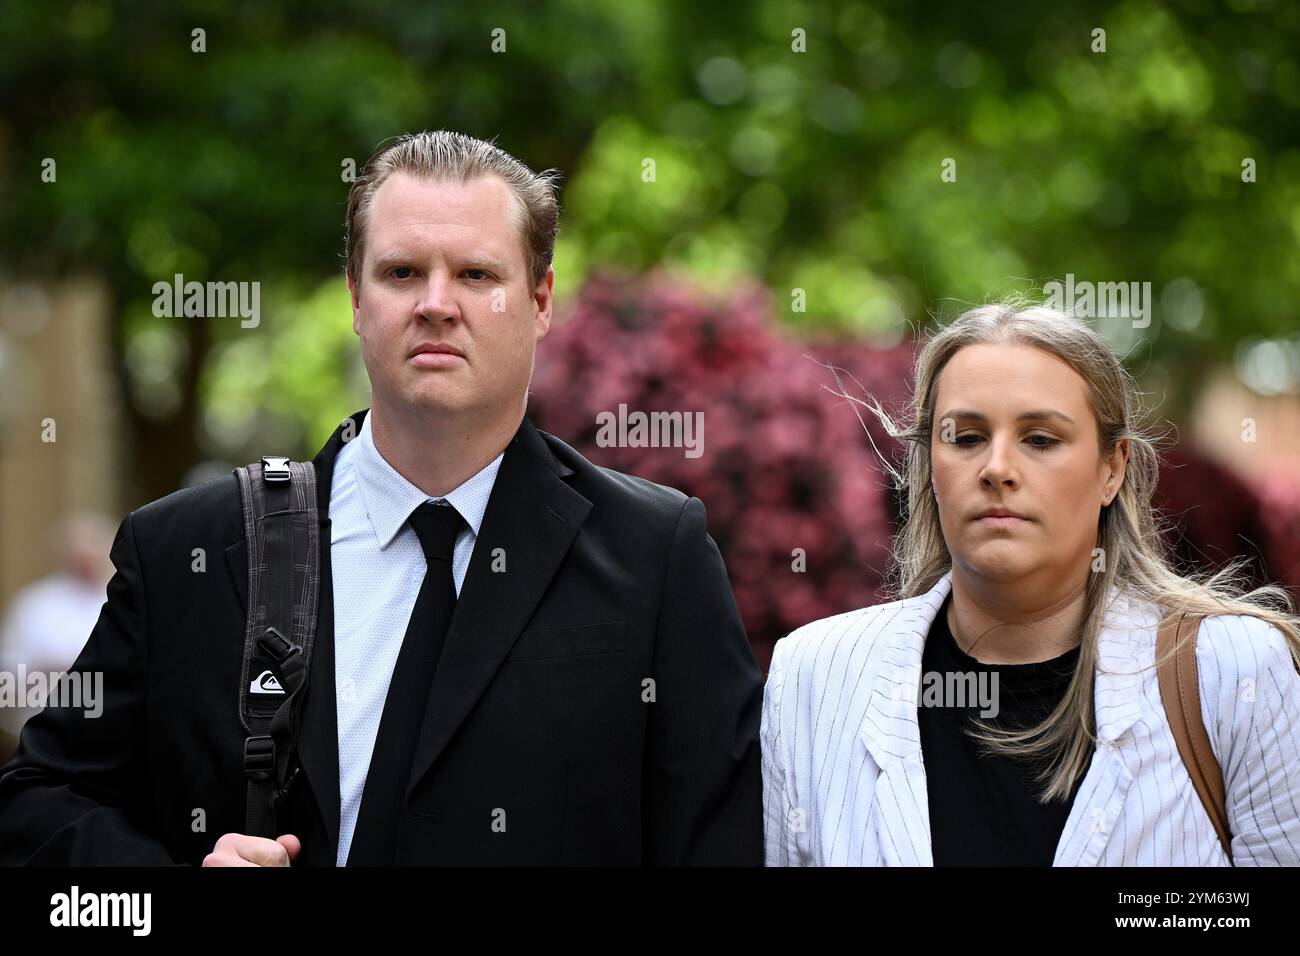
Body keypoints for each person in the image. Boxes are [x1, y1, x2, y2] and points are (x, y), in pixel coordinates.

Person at [0, 130, 764, 866]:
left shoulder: (655, 555)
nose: (436, 303)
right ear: (356, 300)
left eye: (475, 275)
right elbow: (37, 805)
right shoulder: (187, 553)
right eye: (401, 273)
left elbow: (717, 847)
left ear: (539, 301)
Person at [762, 302, 1300, 866]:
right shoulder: (815, 677)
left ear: (1111, 469)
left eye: (1040, 439)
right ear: (929, 464)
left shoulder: (1232, 672)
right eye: (966, 437)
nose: (997, 468)